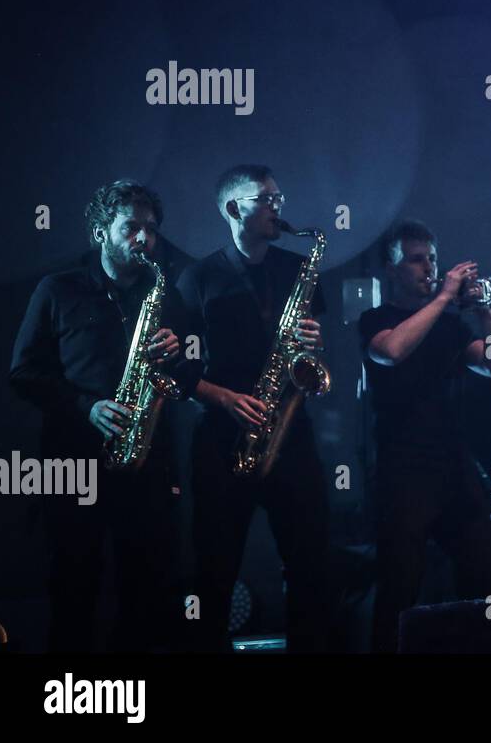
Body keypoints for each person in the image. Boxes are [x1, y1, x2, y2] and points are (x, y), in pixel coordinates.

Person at [9, 180, 201, 651]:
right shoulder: (58, 289)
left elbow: (189, 374)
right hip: (75, 461)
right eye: (131, 227)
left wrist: (178, 353)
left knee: (148, 595)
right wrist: (85, 406)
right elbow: (24, 373)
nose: (144, 239)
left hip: (146, 463)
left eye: (151, 230)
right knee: (73, 591)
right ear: (100, 232)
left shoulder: (163, 293)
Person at [176, 165, 331, 651]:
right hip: (223, 437)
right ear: (232, 208)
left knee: (310, 564)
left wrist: (313, 343)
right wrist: (223, 397)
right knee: (215, 570)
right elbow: (174, 367)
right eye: (264, 199)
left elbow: (310, 350)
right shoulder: (198, 277)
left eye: (278, 198)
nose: (276, 208)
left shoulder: (296, 268)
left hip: (290, 431)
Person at [359, 220, 491, 652]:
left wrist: (484, 311)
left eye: (433, 259)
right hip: (402, 469)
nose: (429, 268)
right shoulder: (376, 320)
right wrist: (445, 296)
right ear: (391, 269)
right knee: (399, 588)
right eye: (416, 260)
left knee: (483, 581)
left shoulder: (450, 327)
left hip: (453, 465)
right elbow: (392, 352)